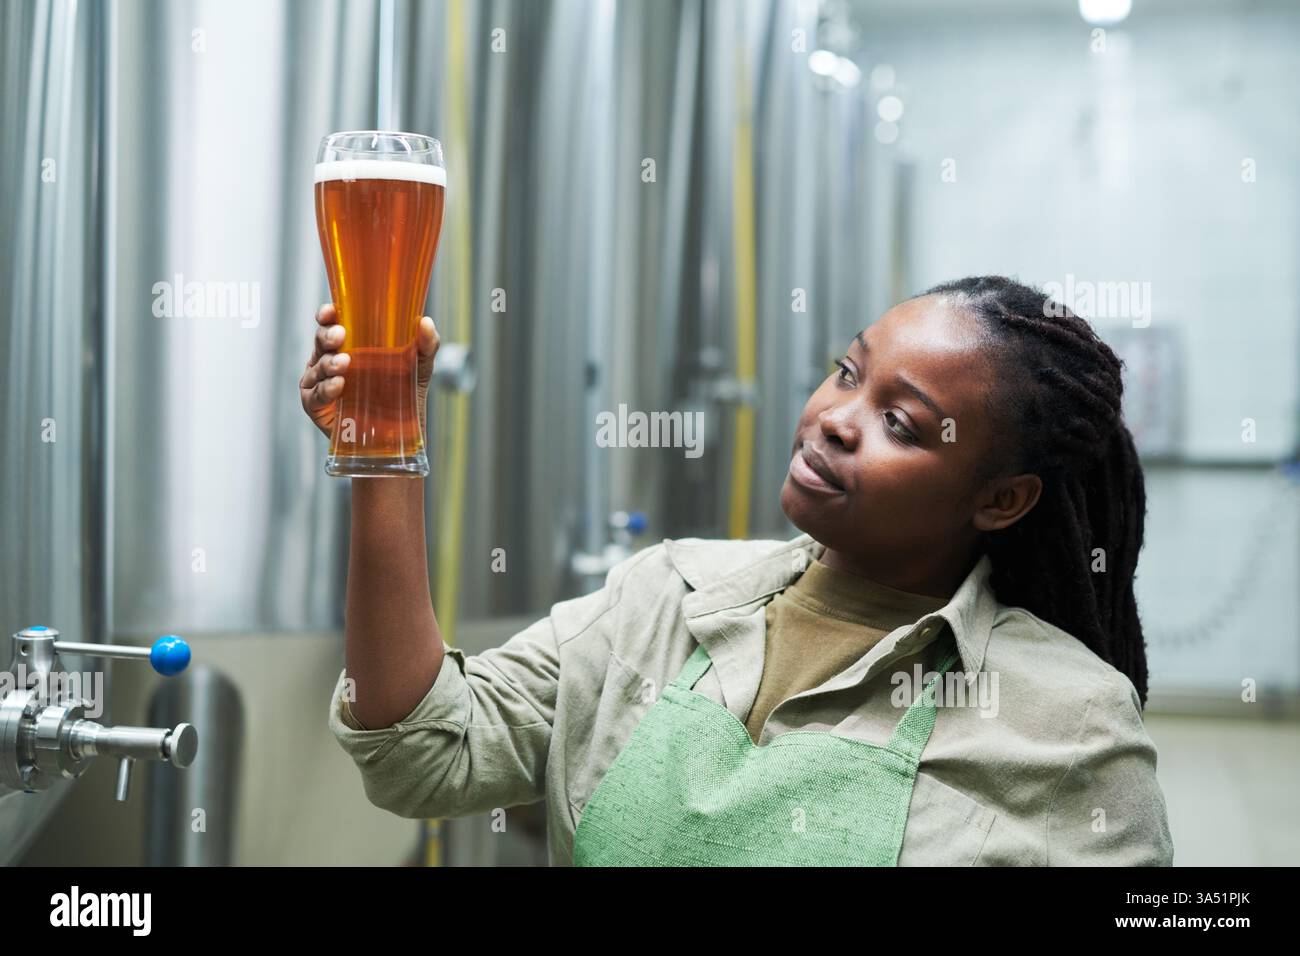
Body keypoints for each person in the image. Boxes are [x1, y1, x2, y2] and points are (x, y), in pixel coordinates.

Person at [302, 274, 1174, 866]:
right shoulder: (667, 594)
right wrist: (382, 450)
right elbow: (425, 753)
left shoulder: (1068, 722)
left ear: (1002, 500)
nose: (835, 419)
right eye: (847, 373)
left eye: (901, 424)